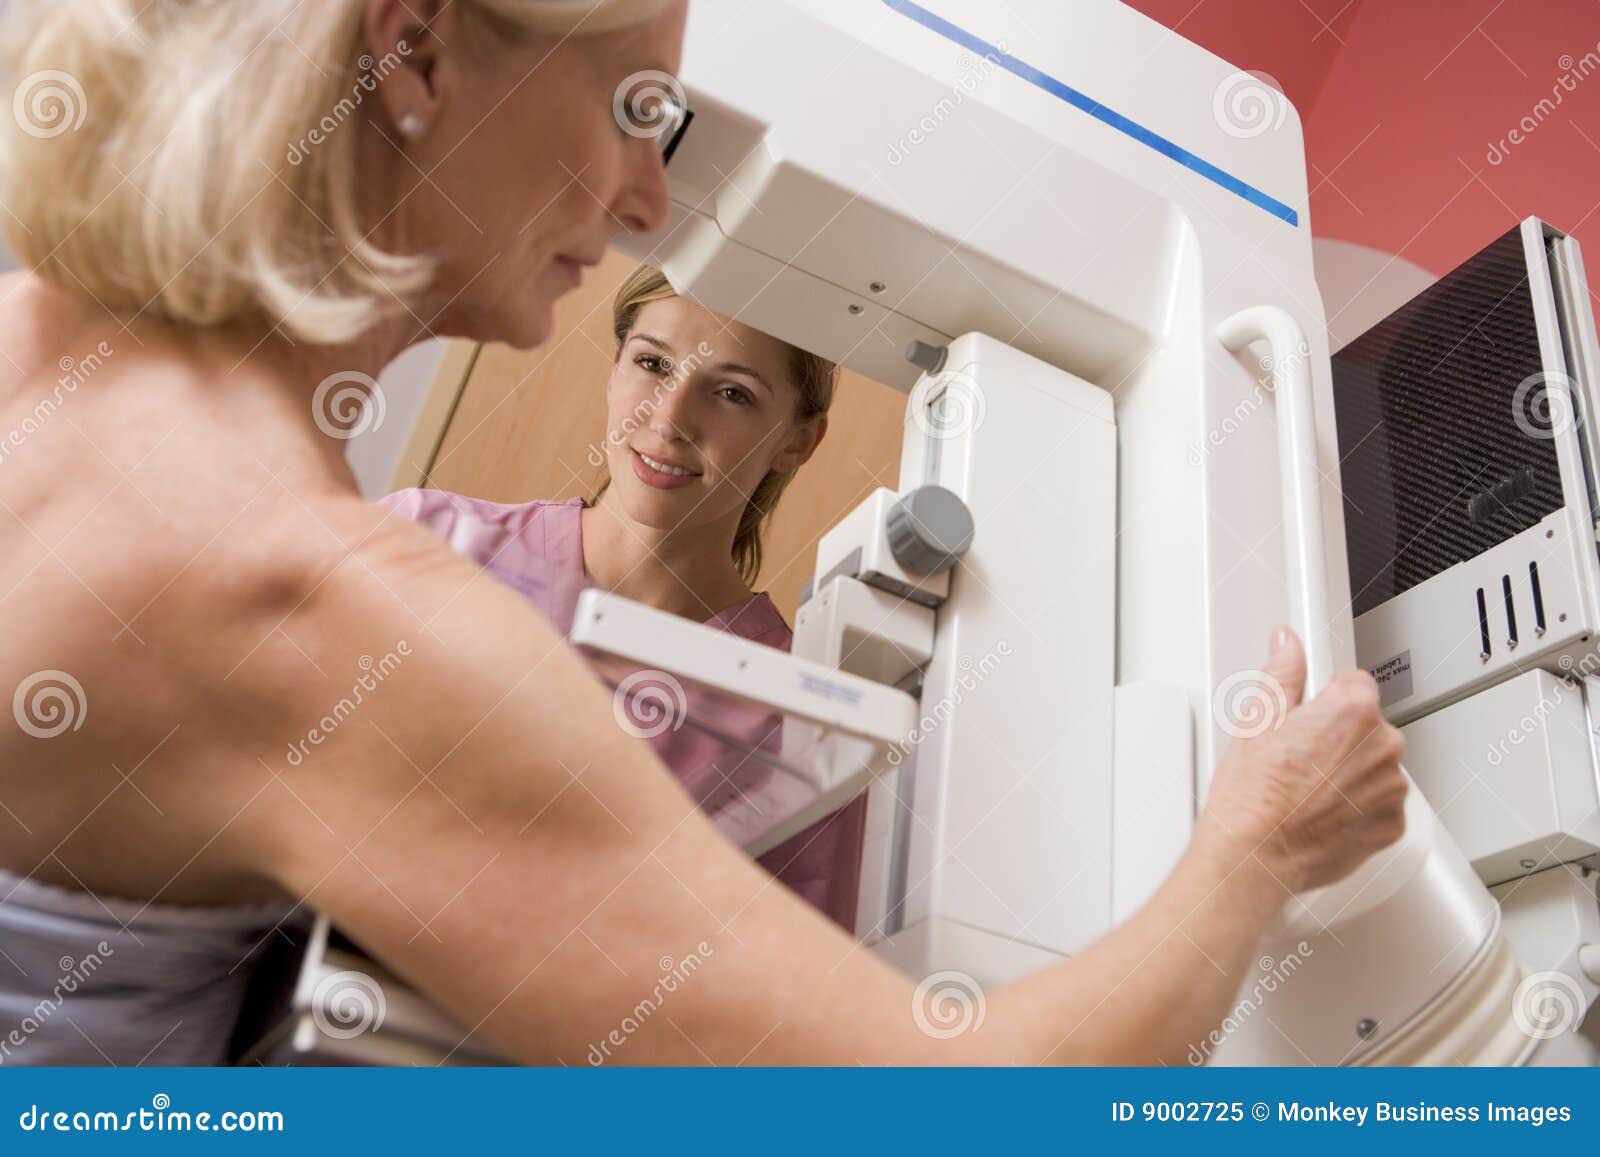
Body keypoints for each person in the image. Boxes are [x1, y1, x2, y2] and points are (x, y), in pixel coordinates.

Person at [0, 0, 1408, 1067]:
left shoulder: (36, 344)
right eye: (630, 107)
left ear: (792, 436)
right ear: (414, 54)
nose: (648, 201)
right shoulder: (326, 609)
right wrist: (1258, 848)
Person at [381, 263, 865, 926]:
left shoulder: (796, 727)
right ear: (614, 368)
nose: (668, 421)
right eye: (652, 364)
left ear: (798, 440)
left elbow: (774, 990)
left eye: (731, 392)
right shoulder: (426, 539)